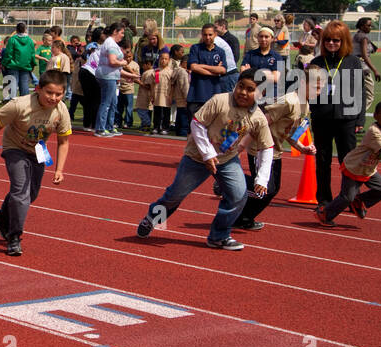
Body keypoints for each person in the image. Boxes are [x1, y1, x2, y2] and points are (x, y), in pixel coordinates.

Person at [135, 69, 273, 251]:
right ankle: (153, 218)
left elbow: (266, 147)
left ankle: (219, 236)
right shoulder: (220, 100)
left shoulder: (258, 118)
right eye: (241, 86)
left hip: (227, 160)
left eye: (250, 89)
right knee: (175, 195)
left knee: (238, 196)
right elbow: (197, 124)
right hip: (197, 157)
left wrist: (262, 178)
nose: (244, 93)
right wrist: (208, 154)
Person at [0, 70, 72, 256]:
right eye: (49, 92)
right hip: (14, 148)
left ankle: (2, 215)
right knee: (21, 191)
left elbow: (64, 141)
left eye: (58, 94)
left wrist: (60, 170)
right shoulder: (19, 105)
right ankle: (14, 236)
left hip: (39, 149)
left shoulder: (61, 110)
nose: (53, 98)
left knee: (31, 194)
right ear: (38, 89)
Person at [233, 72, 317, 231]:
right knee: (265, 189)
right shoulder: (289, 101)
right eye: (315, 87)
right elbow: (262, 121)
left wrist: (303, 148)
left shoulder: (305, 105)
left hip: (275, 150)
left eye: (320, 88)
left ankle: (243, 218)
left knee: (271, 190)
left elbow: (292, 133)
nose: (318, 91)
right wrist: (241, 146)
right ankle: (229, 180)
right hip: (260, 148)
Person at [307, 20, 366, 206]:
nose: (332, 43)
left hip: (346, 119)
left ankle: (348, 197)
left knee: (348, 162)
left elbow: (360, 92)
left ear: (344, 41)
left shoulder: (353, 62)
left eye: (336, 40)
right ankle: (324, 200)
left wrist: (360, 119)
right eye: (328, 40)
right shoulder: (316, 62)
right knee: (322, 161)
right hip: (322, 119)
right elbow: (306, 91)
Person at [185, 24, 227, 127]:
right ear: (202, 35)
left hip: (214, 94)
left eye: (210, 34)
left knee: (211, 128)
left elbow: (223, 70)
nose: (207, 37)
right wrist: (214, 72)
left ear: (215, 35)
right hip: (196, 94)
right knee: (194, 127)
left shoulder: (220, 52)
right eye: (205, 35)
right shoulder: (195, 48)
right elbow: (193, 67)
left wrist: (202, 66)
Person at [141, 49, 175, 135]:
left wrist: (171, 95)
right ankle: (156, 127)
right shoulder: (155, 71)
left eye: (165, 59)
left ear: (169, 60)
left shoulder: (171, 72)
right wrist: (152, 95)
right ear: (159, 59)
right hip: (157, 95)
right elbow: (152, 85)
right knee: (157, 111)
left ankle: (165, 127)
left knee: (166, 112)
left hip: (166, 95)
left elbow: (172, 85)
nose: (163, 60)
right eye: (162, 58)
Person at [353, 17, 380, 114]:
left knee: (357, 94)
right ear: (362, 26)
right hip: (363, 68)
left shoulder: (356, 35)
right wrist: (375, 70)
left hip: (354, 66)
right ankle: (359, 114)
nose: (370, 27)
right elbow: (364, 55)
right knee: (369, 95)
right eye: (368, 25)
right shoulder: (364, 37)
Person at [1, 22, 36, 98]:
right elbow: (32, 54)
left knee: (13, 84)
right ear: (25, 30)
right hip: (25, 65)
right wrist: (33, 64)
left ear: (16, 30)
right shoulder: (30, 41)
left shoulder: (12, 39)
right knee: (24, 85)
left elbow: (8, 53)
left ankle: (12, 101)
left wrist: (4, 63)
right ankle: (24, 102)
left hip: (13, 65)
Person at [115, 39, 138, 132]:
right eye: (126, 57)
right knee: (118, 107)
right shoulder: (121, 63)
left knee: (129, 107)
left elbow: (136, 76)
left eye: (130, 57)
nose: (128, 59)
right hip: (120, 88)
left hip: (129, 89)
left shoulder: (134, 65)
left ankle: (128, 122)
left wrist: (128, 69)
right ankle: (118, 121)